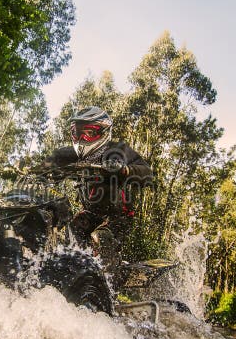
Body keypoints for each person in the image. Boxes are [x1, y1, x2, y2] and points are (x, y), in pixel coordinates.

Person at [42, 106, 153, 270]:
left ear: (103, 132)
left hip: (118, 216)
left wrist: (125, 170)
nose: (81, 138)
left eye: (88, 132)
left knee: (101, 238)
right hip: (90, 214)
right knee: (72, 233)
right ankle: (74, 274)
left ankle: (110, 278)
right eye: (76, 133)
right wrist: (26, 168)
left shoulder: (118, 150)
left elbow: (147, 173)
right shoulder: (70, 155)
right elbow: (48, 163)